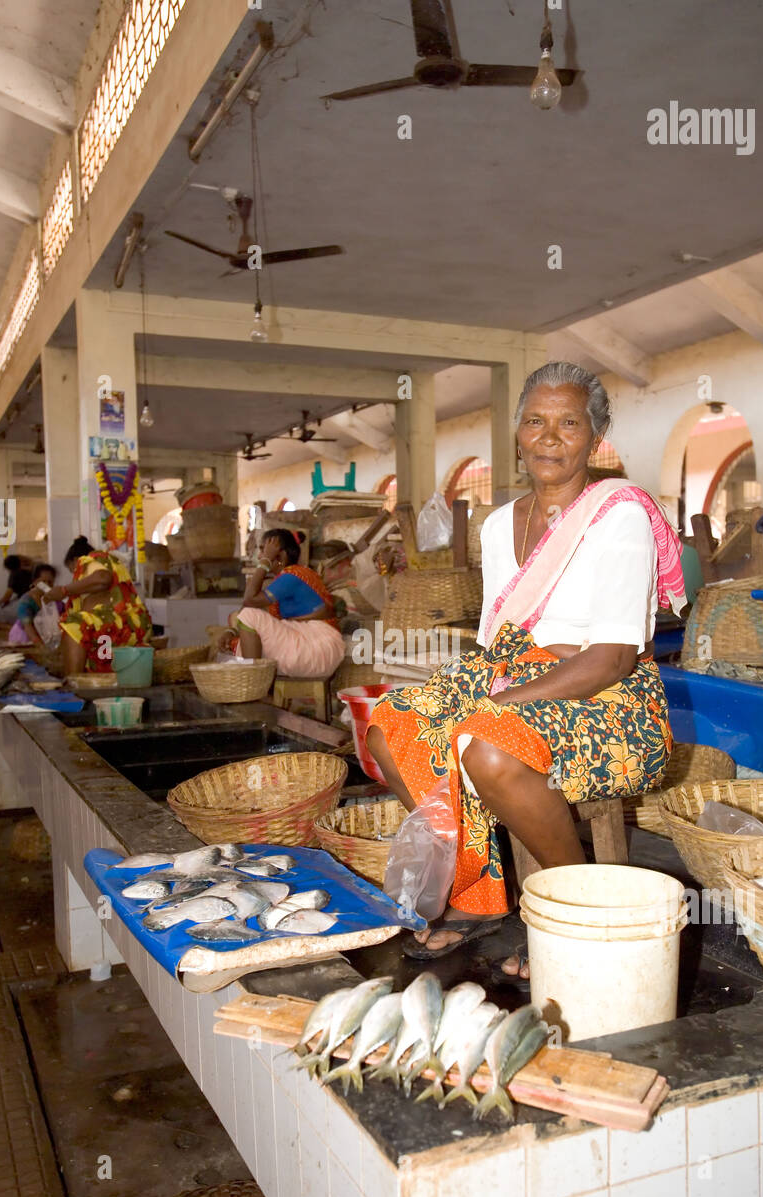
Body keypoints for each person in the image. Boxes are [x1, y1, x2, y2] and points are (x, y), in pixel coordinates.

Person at [367, 361, 686, 977]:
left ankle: (578, 912)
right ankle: (475, 894)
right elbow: (497, 635)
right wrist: (491, 687)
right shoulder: (495, 525)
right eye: (536, 422)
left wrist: (501, 703)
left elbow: (613, 655)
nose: (549, 436)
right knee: (390, 727)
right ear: (517, 434)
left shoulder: (618, 516)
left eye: (569, 423)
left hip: (609, 699)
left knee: (488, 749)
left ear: (594, 439)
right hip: (515, 675)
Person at [219, 528, 345, 679]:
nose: (260, 556)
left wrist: (265, 562)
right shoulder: (284, 578)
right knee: (242, 639)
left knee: (249, 616)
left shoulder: (292, 576)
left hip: (318, 649)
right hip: (315, 646)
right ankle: (256, 683)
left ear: (281, 556)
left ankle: (254, 683)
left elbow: (249, 601)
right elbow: (250, 608)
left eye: (264, 551)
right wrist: (231, 632)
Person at [41, 537, 153, 675]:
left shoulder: (92, 559)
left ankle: (74, 685)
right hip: (130, 628)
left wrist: (64, 590)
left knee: (74, 626)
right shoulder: (111, 562)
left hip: (117, 626)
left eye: (71, 569)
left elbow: (102, 579)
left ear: (75, 561)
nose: (74, 574)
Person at [8, 564, 58, 645]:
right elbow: (27, 626)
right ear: (35, 582)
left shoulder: (52, 599)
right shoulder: (26, 601)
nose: (47, 585)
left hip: (42, 637)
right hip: (23, 638)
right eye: (43, 581)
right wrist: (40, 645)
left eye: (50, 582)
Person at [0, 554, 34, 624]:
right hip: (31, 598)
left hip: (24, 600)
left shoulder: (14, 574)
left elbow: (8, 594)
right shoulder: (29, 572)